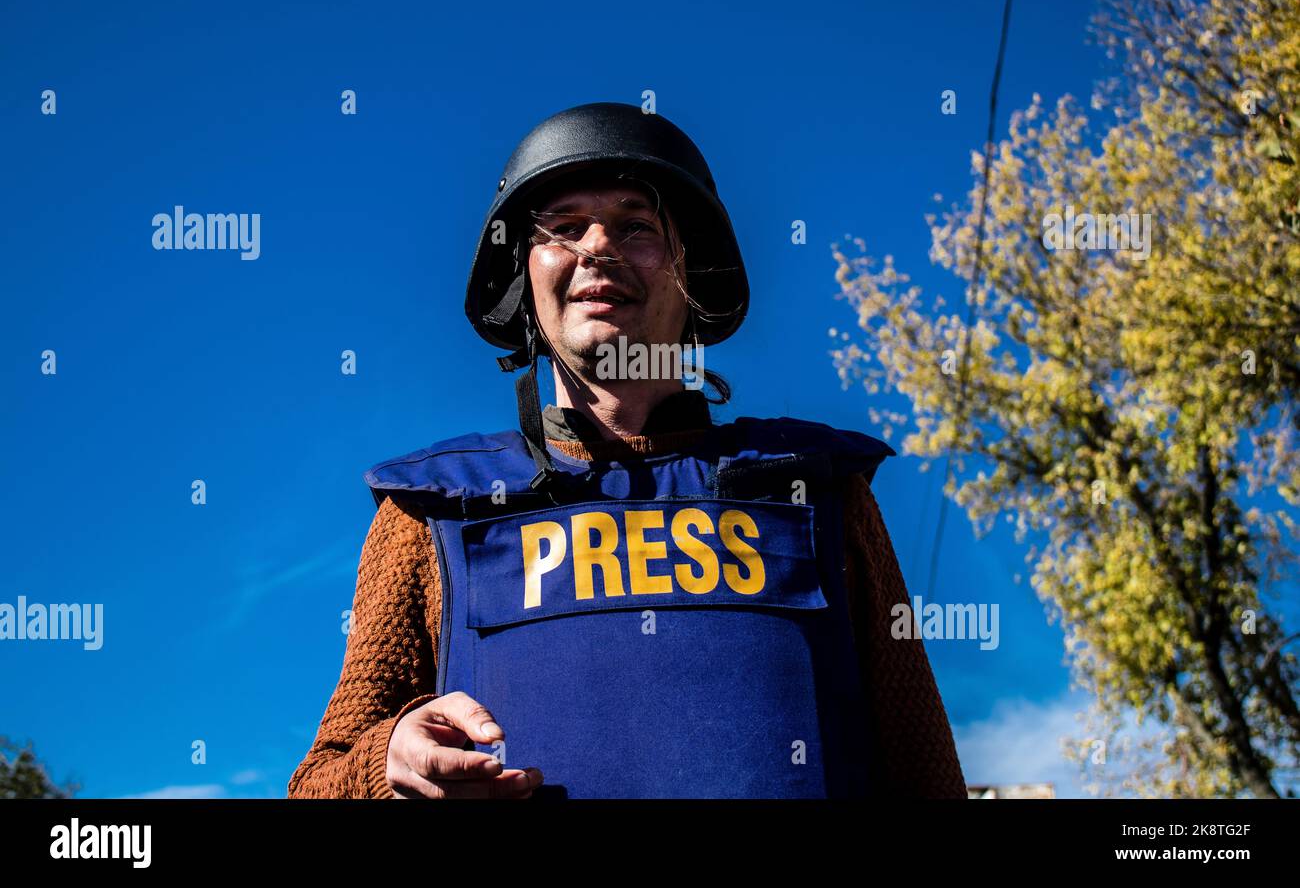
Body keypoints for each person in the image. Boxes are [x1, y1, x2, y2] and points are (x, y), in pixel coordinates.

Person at [287, 102, 967, 799]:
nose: (598, 247)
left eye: (636, 224)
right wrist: (385, 764)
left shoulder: (819, 490)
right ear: (524, 280)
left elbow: (928, 777)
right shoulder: (433, 513)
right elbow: (316, 785)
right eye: (565, 226)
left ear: (690, 272)